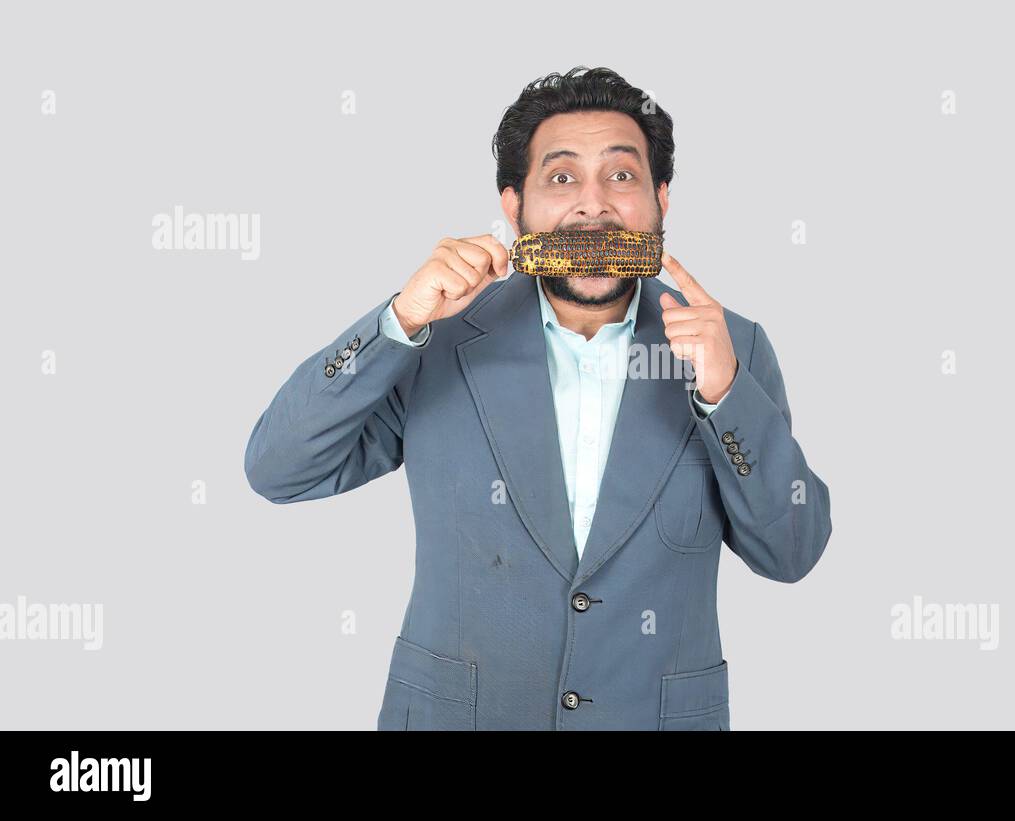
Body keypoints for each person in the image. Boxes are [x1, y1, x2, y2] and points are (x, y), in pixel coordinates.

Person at [243, 66, 832, 730]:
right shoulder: (434, 339)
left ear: (662, 200)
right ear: (514, 207)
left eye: (622, 176)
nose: (593, 205)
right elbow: (279, 468)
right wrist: (399, 322)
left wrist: (726, 395)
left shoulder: (737, 348)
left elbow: (793, 550)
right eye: (560, 178)